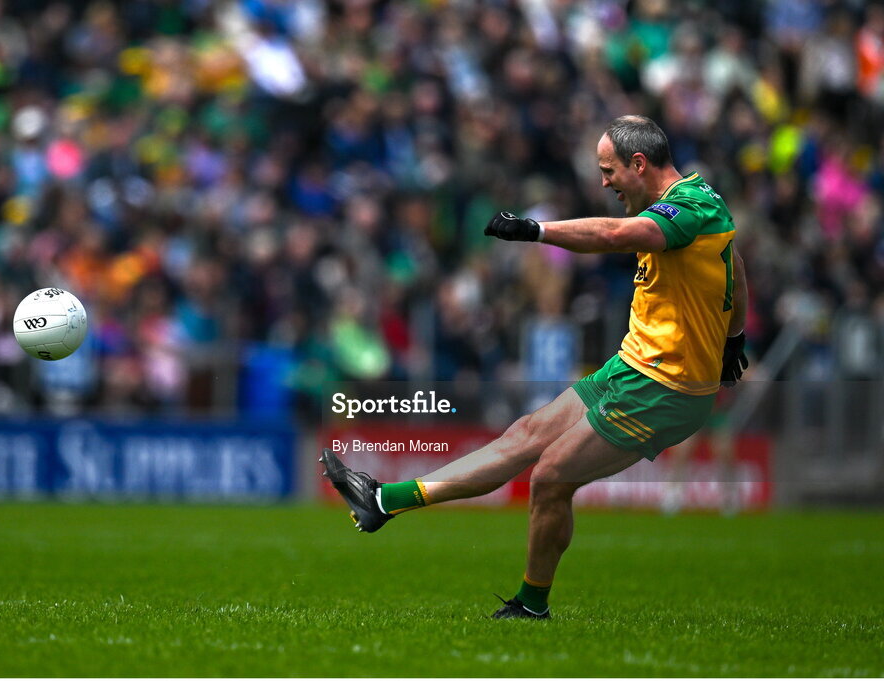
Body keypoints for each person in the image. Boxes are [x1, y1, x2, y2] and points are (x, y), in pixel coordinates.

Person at [320, 115, 749, 619]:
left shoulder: (686, 209)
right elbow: (733, 266)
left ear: (639, 164)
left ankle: (531, 604)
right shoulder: (703, 201)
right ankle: (382, 501)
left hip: (665, 386)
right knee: (524, 434)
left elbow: (615, 234)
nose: (604, 182)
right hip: (633, 366)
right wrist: (735, 337)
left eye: (609, 171)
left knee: (549, 478)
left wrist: (535, 230)